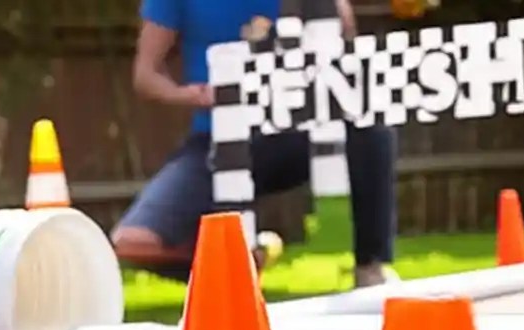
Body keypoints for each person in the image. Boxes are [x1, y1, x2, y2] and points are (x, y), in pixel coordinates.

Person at [114, 0, 401, 288]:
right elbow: (146, 76)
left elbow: (343, 39)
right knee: (131, 243)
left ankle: (371, 266)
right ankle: (242, 264)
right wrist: (193, 95)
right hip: (216, 140)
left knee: (369, 125)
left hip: (296, 132)